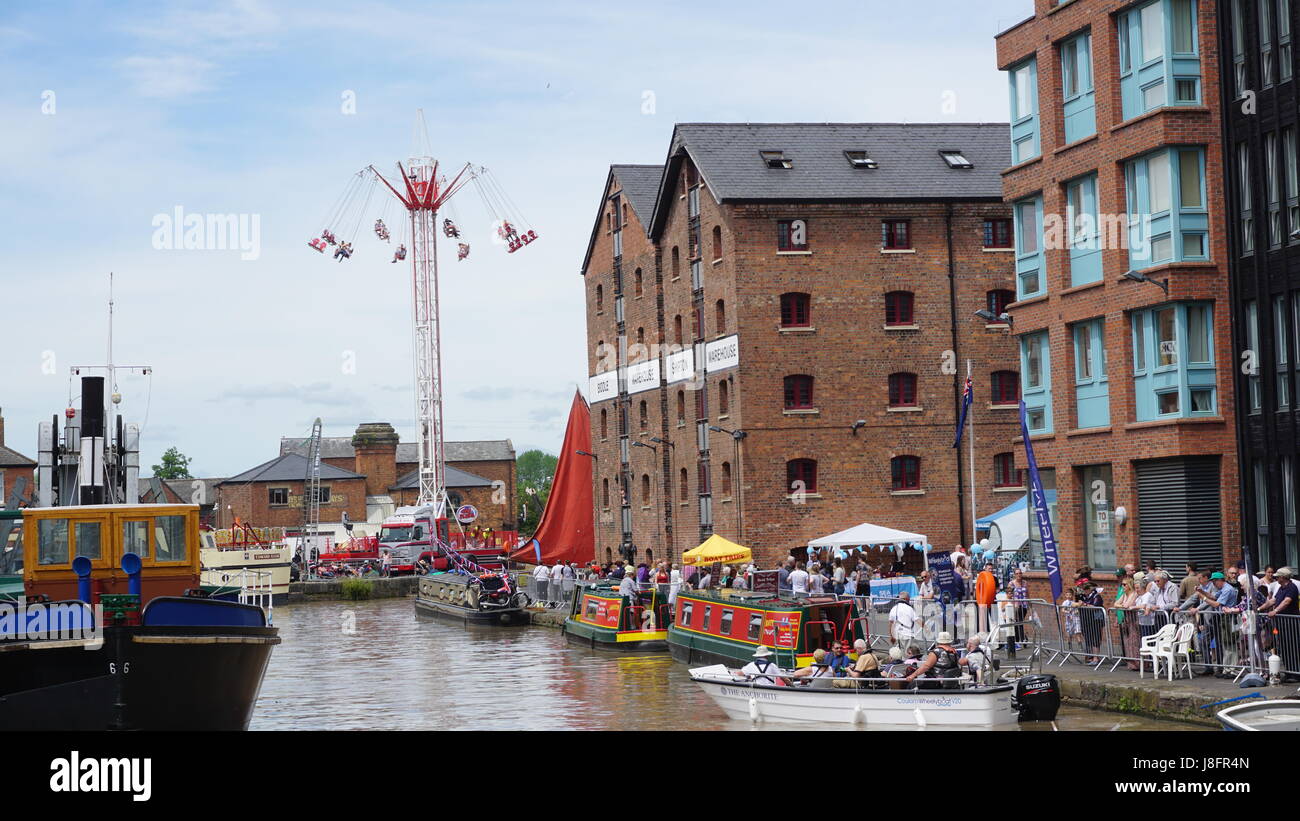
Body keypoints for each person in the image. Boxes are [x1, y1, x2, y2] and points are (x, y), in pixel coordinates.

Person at [1078, 582, 1105, 663]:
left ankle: (1096, 658)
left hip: (1095, 621)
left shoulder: (1096, 596)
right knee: (1088, 638)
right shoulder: (1084, 596)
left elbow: (1095, 606)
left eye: (1086, 589)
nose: (1084, 591)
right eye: (1084, 589)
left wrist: (1084, 604)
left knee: (1095, 638)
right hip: (1086, 620)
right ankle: (1090, 656)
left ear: (1091, 589)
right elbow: (1076, 602)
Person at [975, 562, 998, 634]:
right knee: (983, 621)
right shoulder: (981, 577)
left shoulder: (995, 578)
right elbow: (977, 589)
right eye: (989, 569)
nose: (991, 570)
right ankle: (984, 635)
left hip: (992, 601)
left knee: (994, 620)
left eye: (992, 569)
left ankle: (995, 636)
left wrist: (992, 592)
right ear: (985, 569)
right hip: (983, 602)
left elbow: (997, 589)